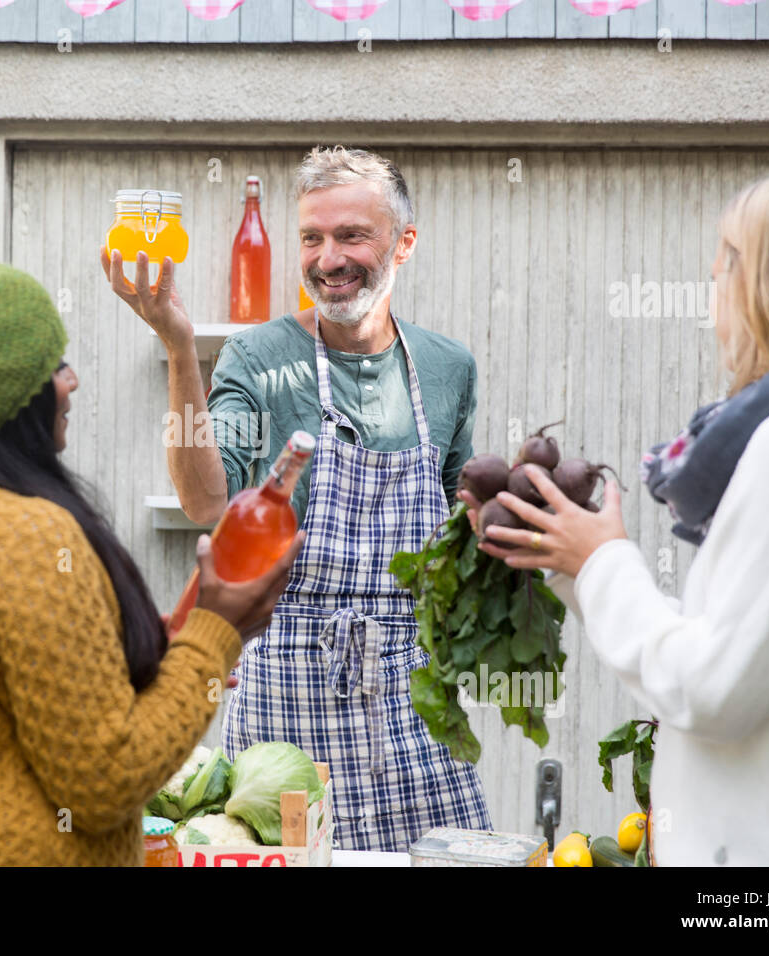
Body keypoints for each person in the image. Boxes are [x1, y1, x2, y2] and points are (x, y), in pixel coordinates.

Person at [467, 171, 769, 866]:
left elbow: (713, 686)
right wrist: (574, 564)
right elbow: (748, 647)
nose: (713, 303)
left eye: (720, 273)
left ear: (756, 286)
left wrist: (602, 561)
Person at [103, 146, 490, 852]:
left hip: (412, 695)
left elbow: (458, 526)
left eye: (351, 236)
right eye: (312, 237)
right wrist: (180, 347)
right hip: (289, 690)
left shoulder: (447, 368)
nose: (327, 257)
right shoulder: (258, 358)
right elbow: (205, 500)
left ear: (404, 242)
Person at [0, 261, 303, 866]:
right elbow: (105, 781)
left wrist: (155, 660)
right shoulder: (21, 535)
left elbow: (20, 704)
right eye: (53, 366)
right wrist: (214, 636)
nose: (70, 382)